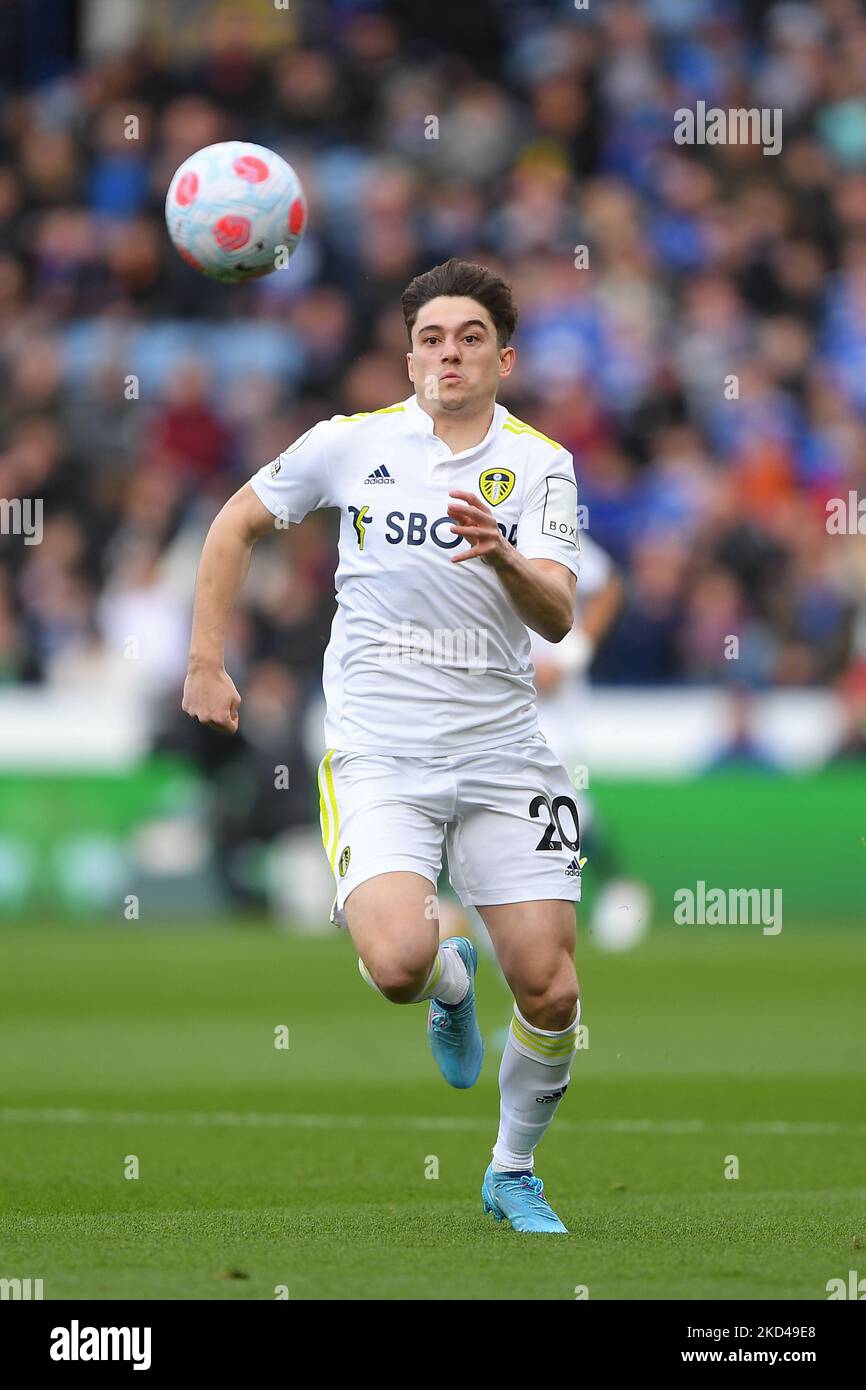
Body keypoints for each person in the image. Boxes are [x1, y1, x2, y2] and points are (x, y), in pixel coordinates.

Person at [182, 258, 583, 1233]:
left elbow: (561, 614)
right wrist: (205, 660)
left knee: (550, 983)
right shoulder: (347, 445)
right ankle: (450, 979)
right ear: (407, 356)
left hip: (503, 754)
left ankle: (510, 1169)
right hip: (380, 753)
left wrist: (502, 554)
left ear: (503, 356)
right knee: (400, 964)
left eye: (470, 337)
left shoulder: (540, 465)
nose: (449, 353)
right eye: (432, 338)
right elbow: (235, 523)